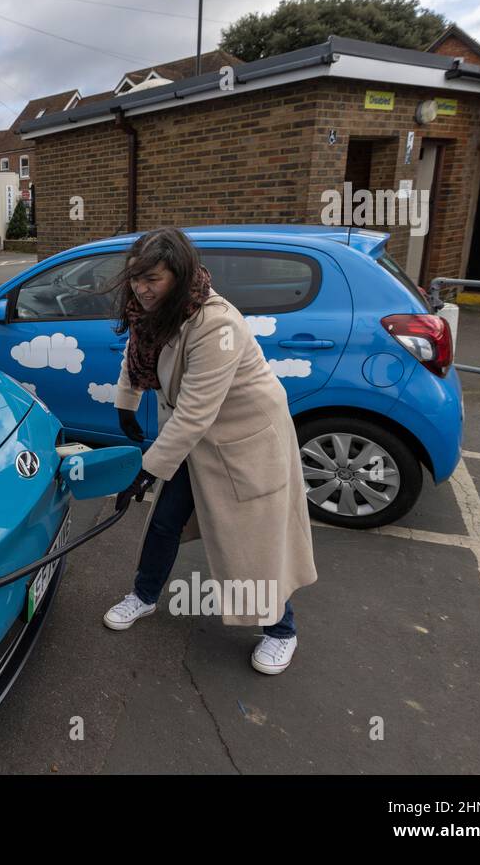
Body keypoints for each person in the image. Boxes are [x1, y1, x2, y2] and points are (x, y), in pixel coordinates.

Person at [105, 228, 316, 675]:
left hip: (244, 443)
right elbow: (135, 354)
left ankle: (282, 630)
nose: (141, 289)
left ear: (179, 276)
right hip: (195, 441)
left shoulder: (217, 324)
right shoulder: (152, 312)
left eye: (153, 279)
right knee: (164, 522)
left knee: (255, 542)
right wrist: (126, 405)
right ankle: (143, 596)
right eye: (136, 278)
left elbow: (196, 412)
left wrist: (145, 471)